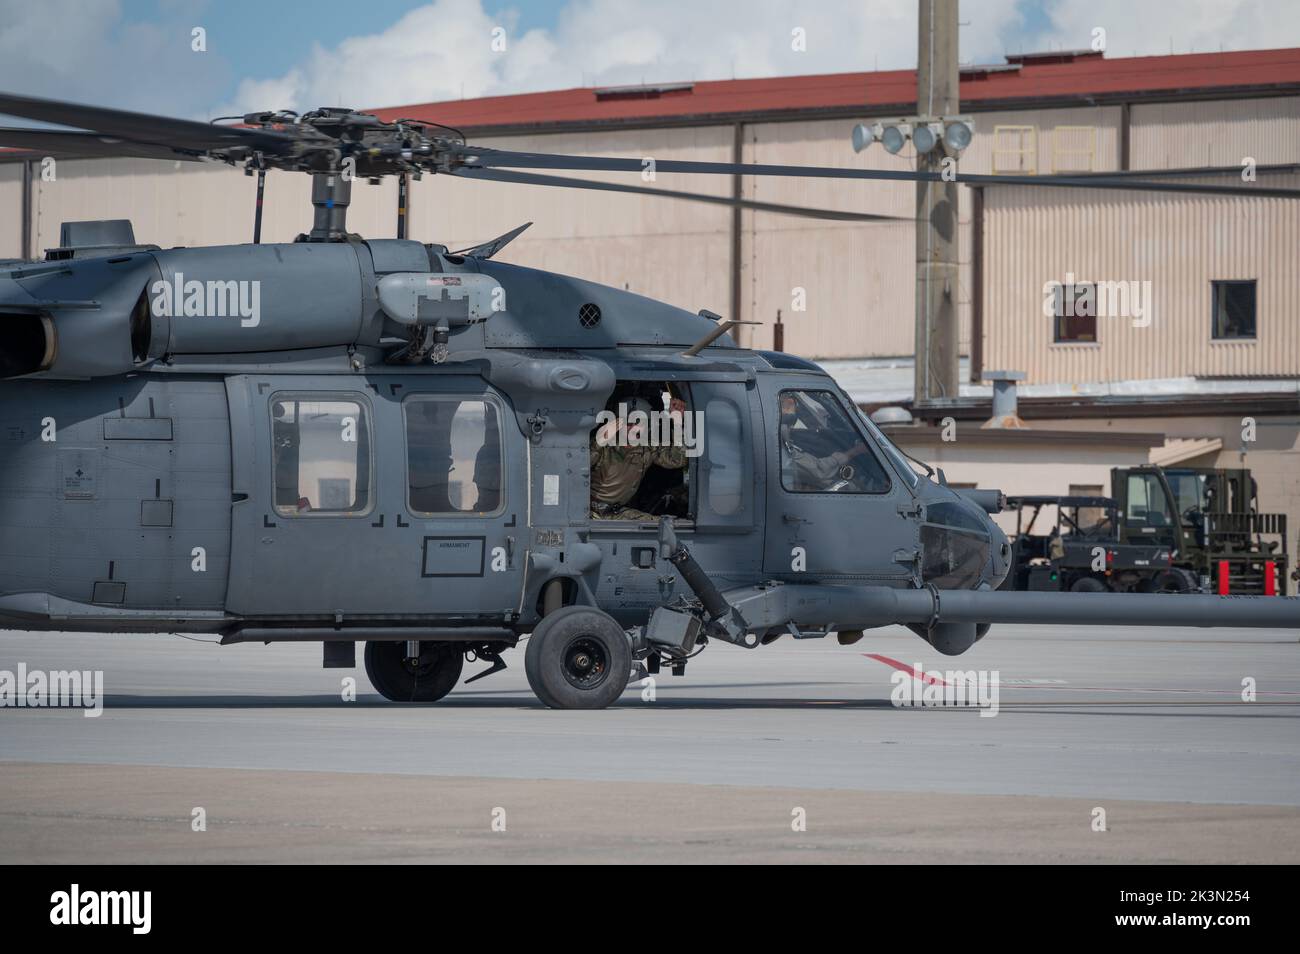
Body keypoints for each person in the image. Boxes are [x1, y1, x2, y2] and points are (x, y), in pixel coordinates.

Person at [590, 397, 687, 520]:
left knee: (666, 526)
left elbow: (676, 460)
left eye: (639, 423)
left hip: (616, 513)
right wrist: (598, 442)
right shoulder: (604, 446)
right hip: (588, 512)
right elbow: (577, 467)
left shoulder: (647, 448)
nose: (632, 428)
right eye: (628, 423)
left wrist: (678, 424)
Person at [778, 392, 872, 492]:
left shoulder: (788, 441)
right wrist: (854, 452)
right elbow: (818, 470)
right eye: (789, 417)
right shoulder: (780, 446)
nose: (790, 425)